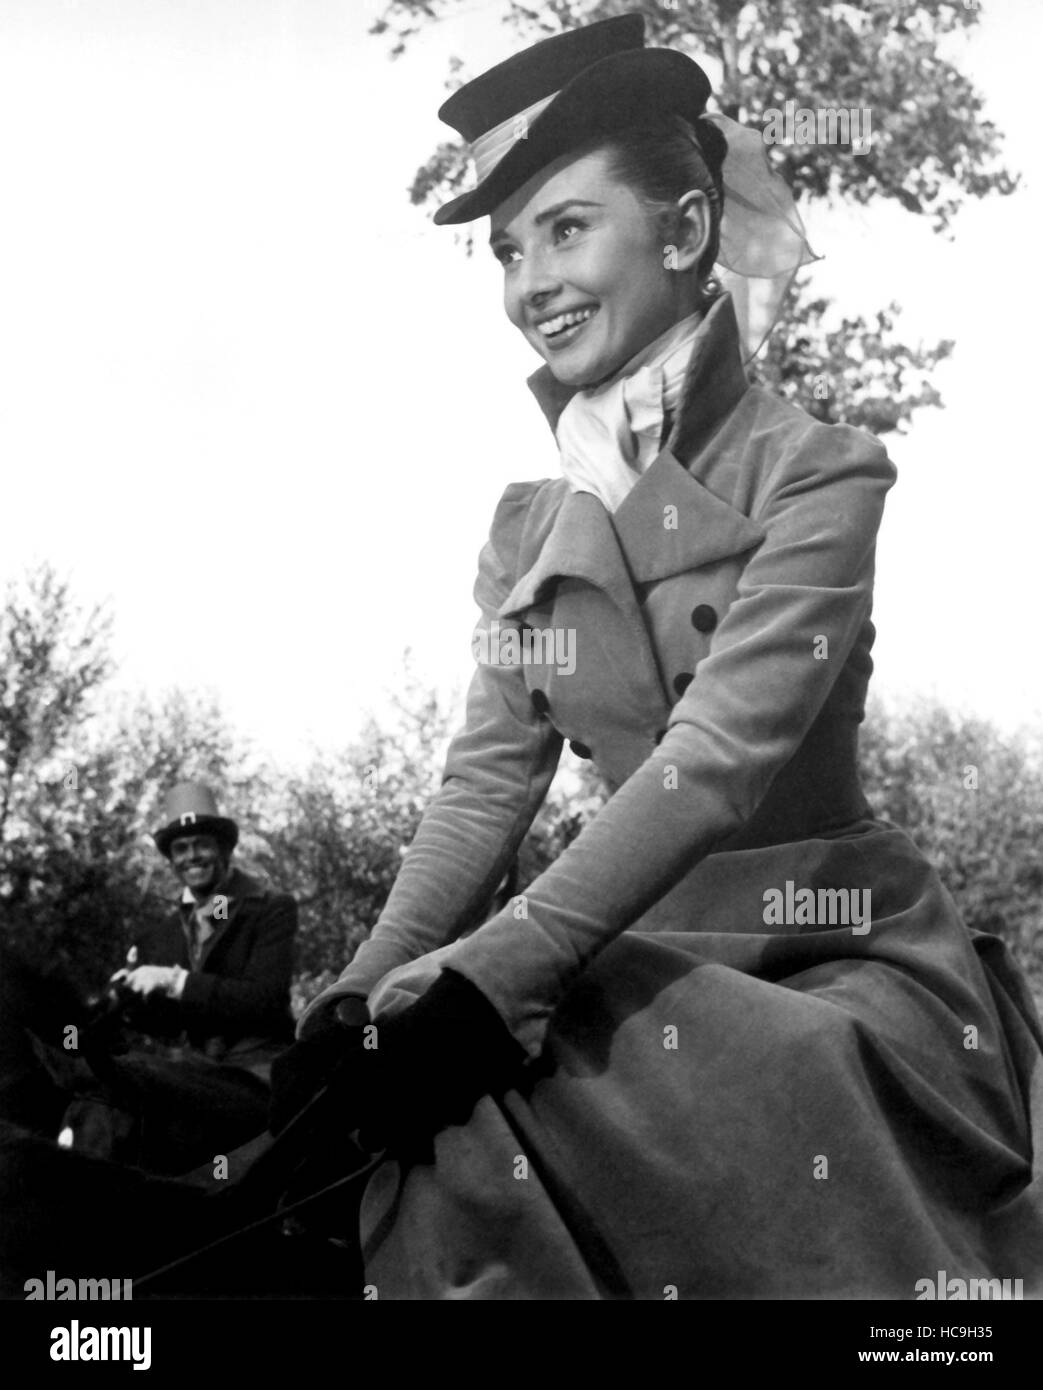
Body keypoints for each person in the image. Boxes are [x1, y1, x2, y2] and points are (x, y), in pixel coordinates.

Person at [271, 13, 1043, 1301]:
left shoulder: (818, 473)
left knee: (550, 1089)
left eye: (566, 228)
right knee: (417, 1115)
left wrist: (499, 971)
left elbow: (716, 762)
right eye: (509, 250)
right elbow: (481, 789)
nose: (528, 285)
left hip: (827, 953)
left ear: (685, 232)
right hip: (623, 940)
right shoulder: (525, 523)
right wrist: (350, 995)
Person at [60, 780, 298, 1173]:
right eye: (180, 849)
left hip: (258, 1073)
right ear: (171, 859)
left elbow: (265, 1001)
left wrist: (174, 981)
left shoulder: (270, 909)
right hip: (195, 1071)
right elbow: (168, 1027)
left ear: (223, 848)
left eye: (202, 844)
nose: (192, 857)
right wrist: (133, 999)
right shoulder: (162, 933)